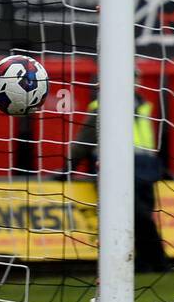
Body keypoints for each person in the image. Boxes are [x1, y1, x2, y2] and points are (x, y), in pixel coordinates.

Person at [68, 90, 168, 273]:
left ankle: (147, 262)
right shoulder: (104, 105)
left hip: (145, 168)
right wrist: (68, 167)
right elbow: (85, 140)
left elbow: (146, 139)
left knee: (142, 217)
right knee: (136, 216)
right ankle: (157, 262)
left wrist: (160, 168)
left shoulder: (142, 104)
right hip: (116, 168)